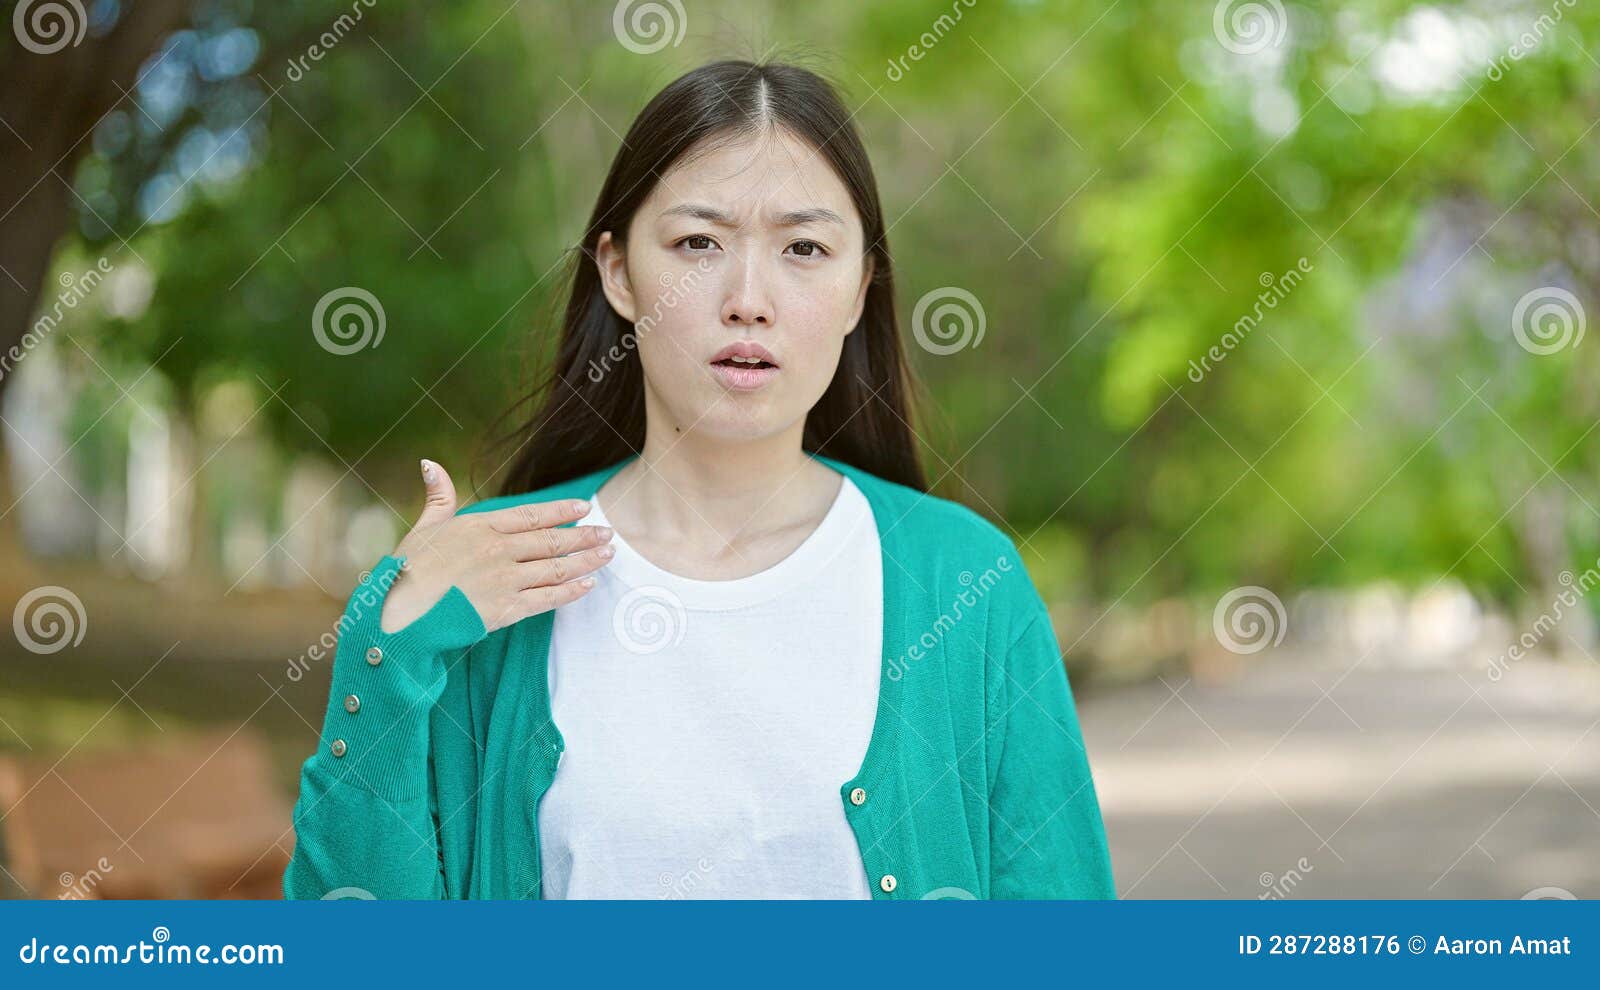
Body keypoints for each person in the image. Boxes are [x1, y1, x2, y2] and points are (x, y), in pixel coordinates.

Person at [284, 58, 1114, 900]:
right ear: (616, 271)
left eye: (804, 247)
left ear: (862, 286)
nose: (749, 298)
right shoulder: (490, 580)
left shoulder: (966, 582)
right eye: (697, 243)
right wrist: (386, 647)